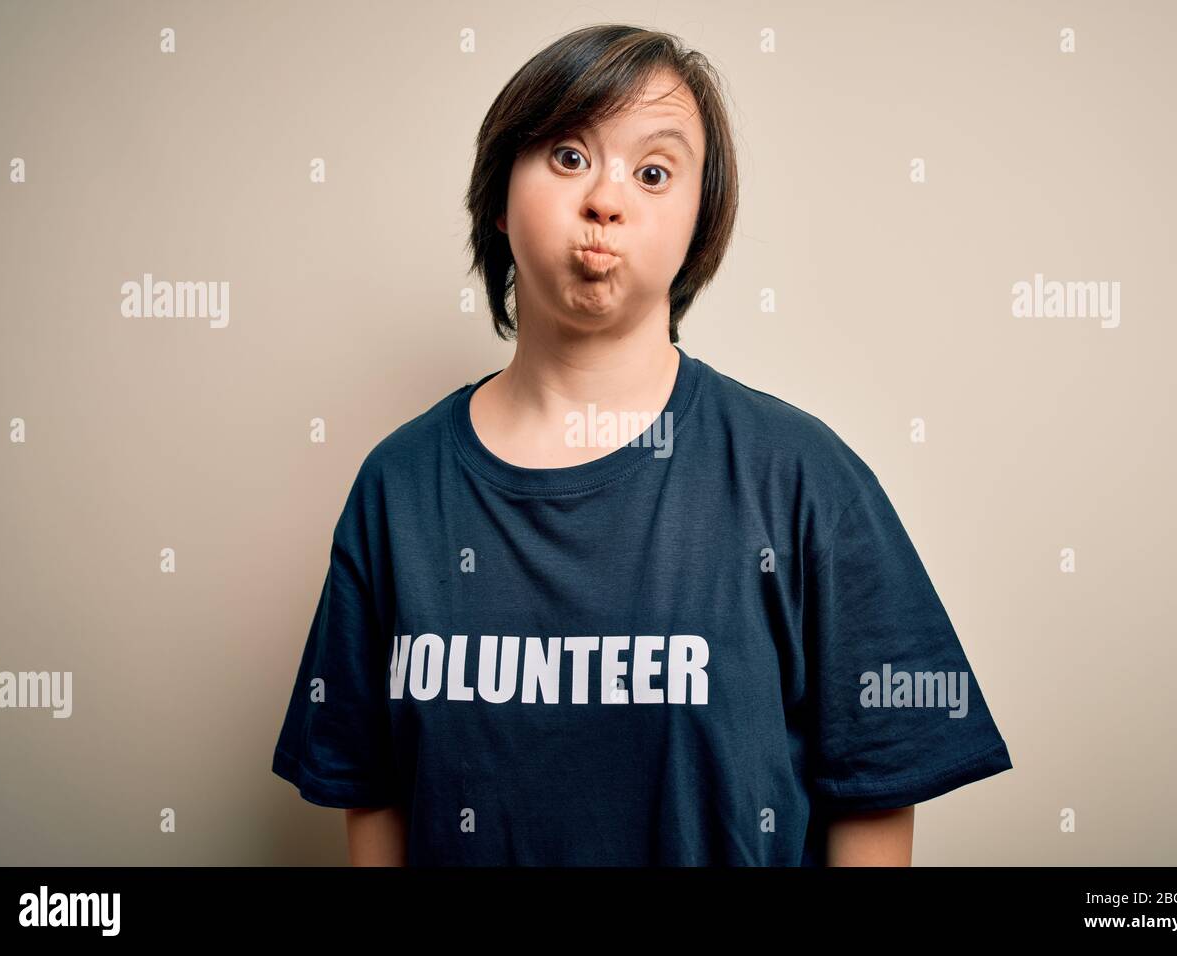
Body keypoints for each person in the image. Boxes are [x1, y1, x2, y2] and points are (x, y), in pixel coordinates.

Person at [271, 23, 1013, 866]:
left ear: (699, 227)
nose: (606, 200)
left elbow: (876, 799)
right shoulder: (397, 489)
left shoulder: (803, 479)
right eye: (567, 157)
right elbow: (373, 801)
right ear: (500, 198)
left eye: (653, 172)